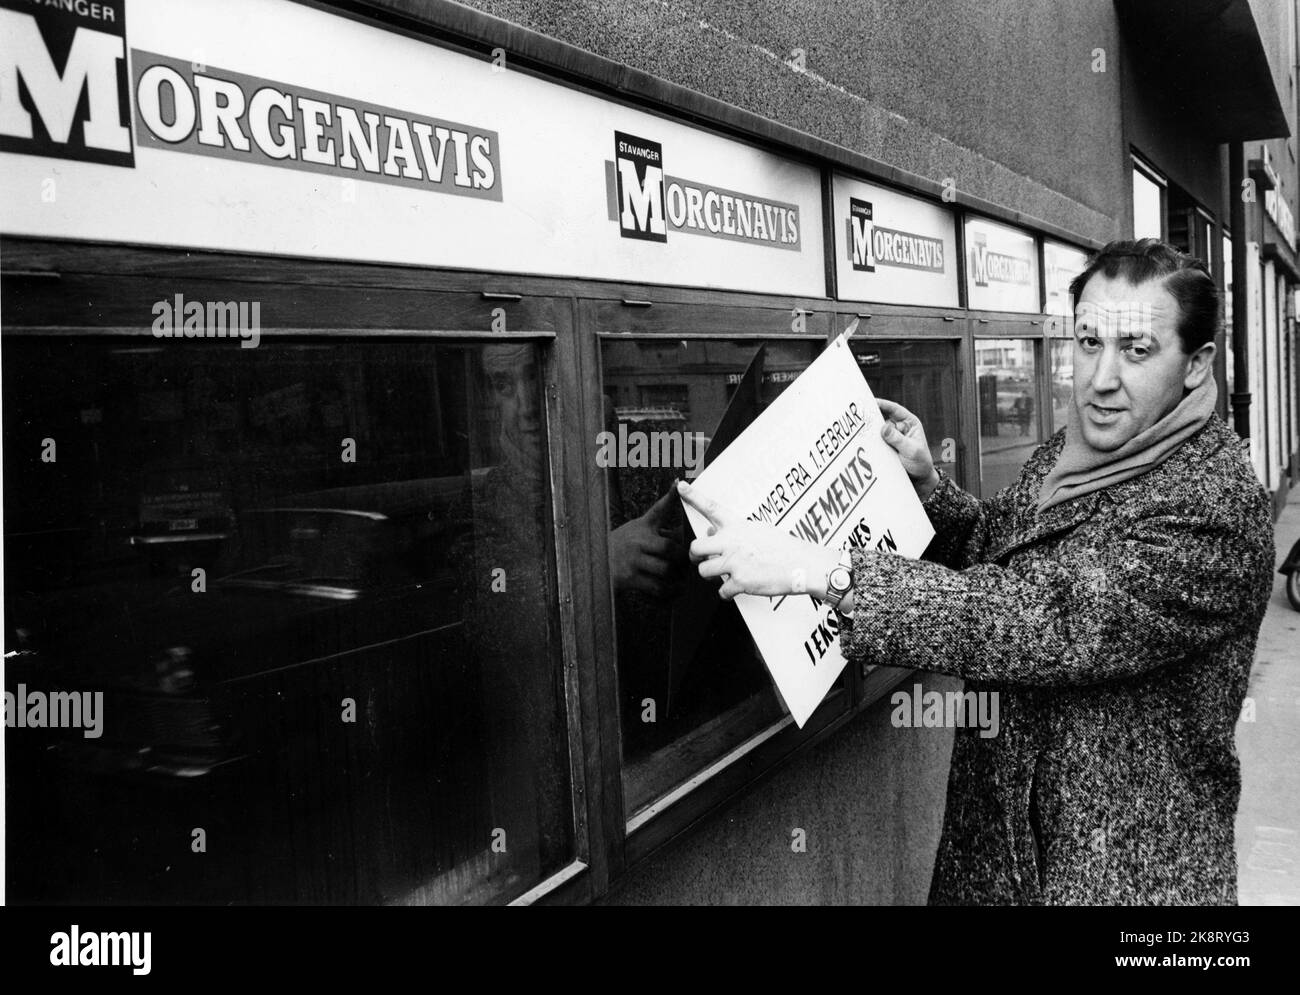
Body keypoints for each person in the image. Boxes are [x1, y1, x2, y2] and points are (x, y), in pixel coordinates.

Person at [677, 238, 1275, 905]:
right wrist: (930, 488)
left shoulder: (1214, 509)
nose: (1101, 378)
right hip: (1004, 859)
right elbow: (1006, 551)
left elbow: (1042, 619)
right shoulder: (1078, 449)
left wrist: (823, 570)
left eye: (1137, 350)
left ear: (1196, 365)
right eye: (1087, 343)